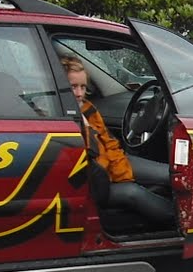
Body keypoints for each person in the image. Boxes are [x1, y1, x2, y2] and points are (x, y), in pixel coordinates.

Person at [59, 51, 176, 227]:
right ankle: (179, 220)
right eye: (73, 87)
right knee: (133, 192)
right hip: (96, 180)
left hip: (114, 164)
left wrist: (122, 170)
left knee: (171, 173)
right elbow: (90, 157)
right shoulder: (61, 118)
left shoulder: (88, 109)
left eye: (83, 87)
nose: (79, 93)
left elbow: (109, 141)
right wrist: (85, 127)